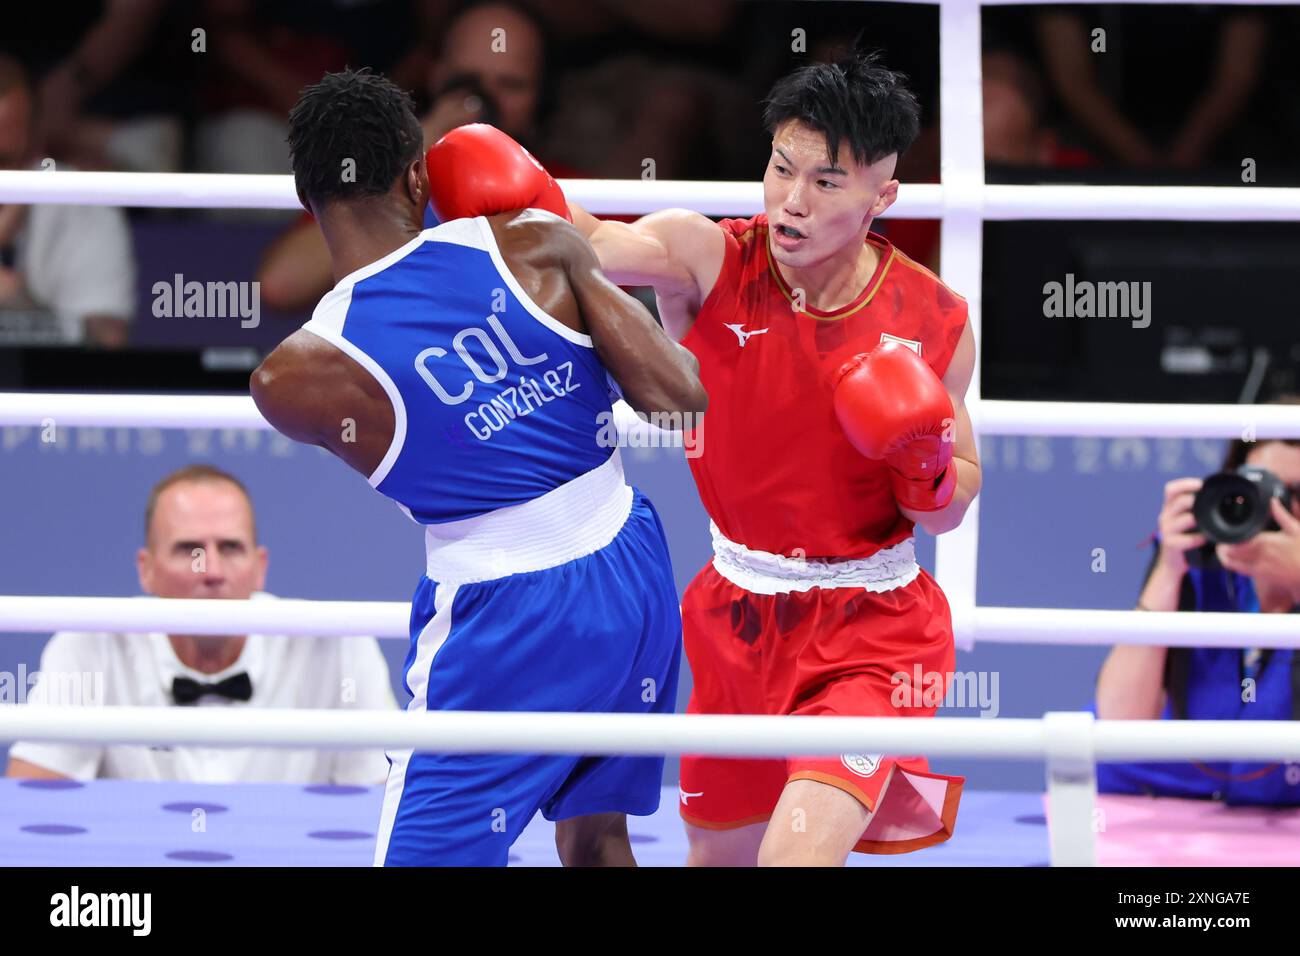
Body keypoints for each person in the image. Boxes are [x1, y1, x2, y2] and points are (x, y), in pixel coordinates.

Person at [250, 70, 705, 867]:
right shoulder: (535, 244)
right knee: (598, 837)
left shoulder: (293, 380)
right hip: (633, 570)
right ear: (419, 174)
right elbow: (681, 402)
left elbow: (431, 448)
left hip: (505, 618)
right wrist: (552, 233)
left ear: (306, 201)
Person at [568, 51, 980, 866]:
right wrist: (486, 182)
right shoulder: (707, 256)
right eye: (781, 168)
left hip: (873, 635)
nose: (792, 200)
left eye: (827, 183)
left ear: (881, 195)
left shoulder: (933, 318)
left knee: (794, 858)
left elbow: (950, 505)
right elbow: (588, 245)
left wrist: (923, 456)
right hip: (736, 618)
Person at [4, 464, 396, 784]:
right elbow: (33, 803)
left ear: (260, 569)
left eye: (230, 548)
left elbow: (386, 803)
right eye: (189, 550)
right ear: (147, 571)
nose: (210, 571)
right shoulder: (89, 644)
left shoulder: (336, 644)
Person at [1093, 397, 1300, 805]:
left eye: (1295, 494)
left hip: (1278, 796)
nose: (1276, 511)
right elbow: (1120, 725)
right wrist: (1168, 570)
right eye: (1261, 488)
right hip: (1186, 795)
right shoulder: (1201, 558)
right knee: (1092, 747)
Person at [0, 55, 135, 347]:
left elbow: (108, 343)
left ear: (33, 150)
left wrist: (19, 305)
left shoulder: (81, 201)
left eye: (2, 160)